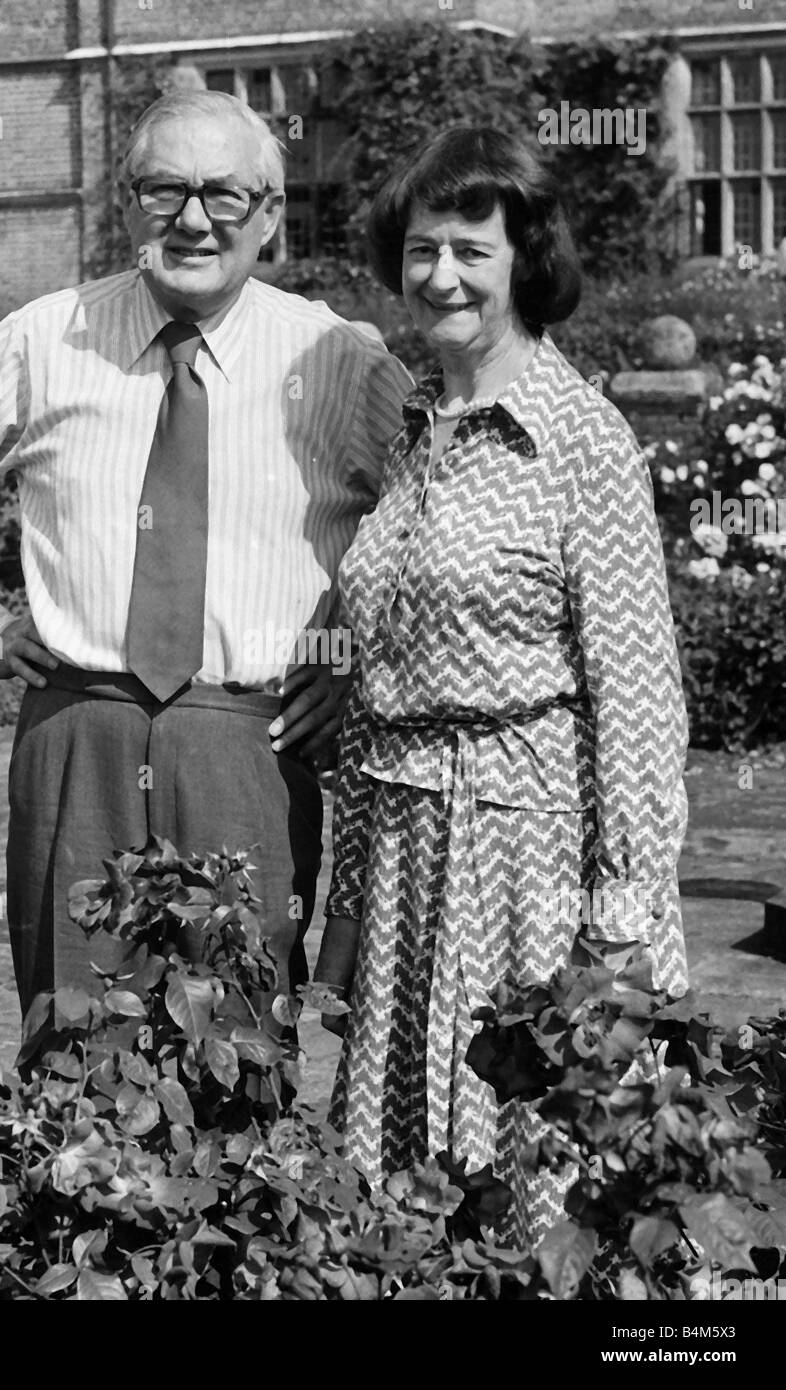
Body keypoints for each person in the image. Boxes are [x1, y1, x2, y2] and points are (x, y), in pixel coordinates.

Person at [0, 90, 412, 1022]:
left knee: (241, 1053)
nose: (194, 220)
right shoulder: (45, 338)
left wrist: (354, 661)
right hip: (81, 739)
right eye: (165, 190)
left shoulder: (335, 357)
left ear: (268, 214)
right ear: (129, 201)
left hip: (250, 749)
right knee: (73, 1044)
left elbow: (438, 520)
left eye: (225, 195)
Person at [313, 126, 689, 1245]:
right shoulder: (420, 426)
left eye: (472, 248)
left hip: (528, 858)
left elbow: (637, 690)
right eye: (424, 248)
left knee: (540, 1169)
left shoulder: (581, 440)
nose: (442, 276)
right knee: (405, 1189)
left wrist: (619, 918)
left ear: (525, 256)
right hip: (403, 864)